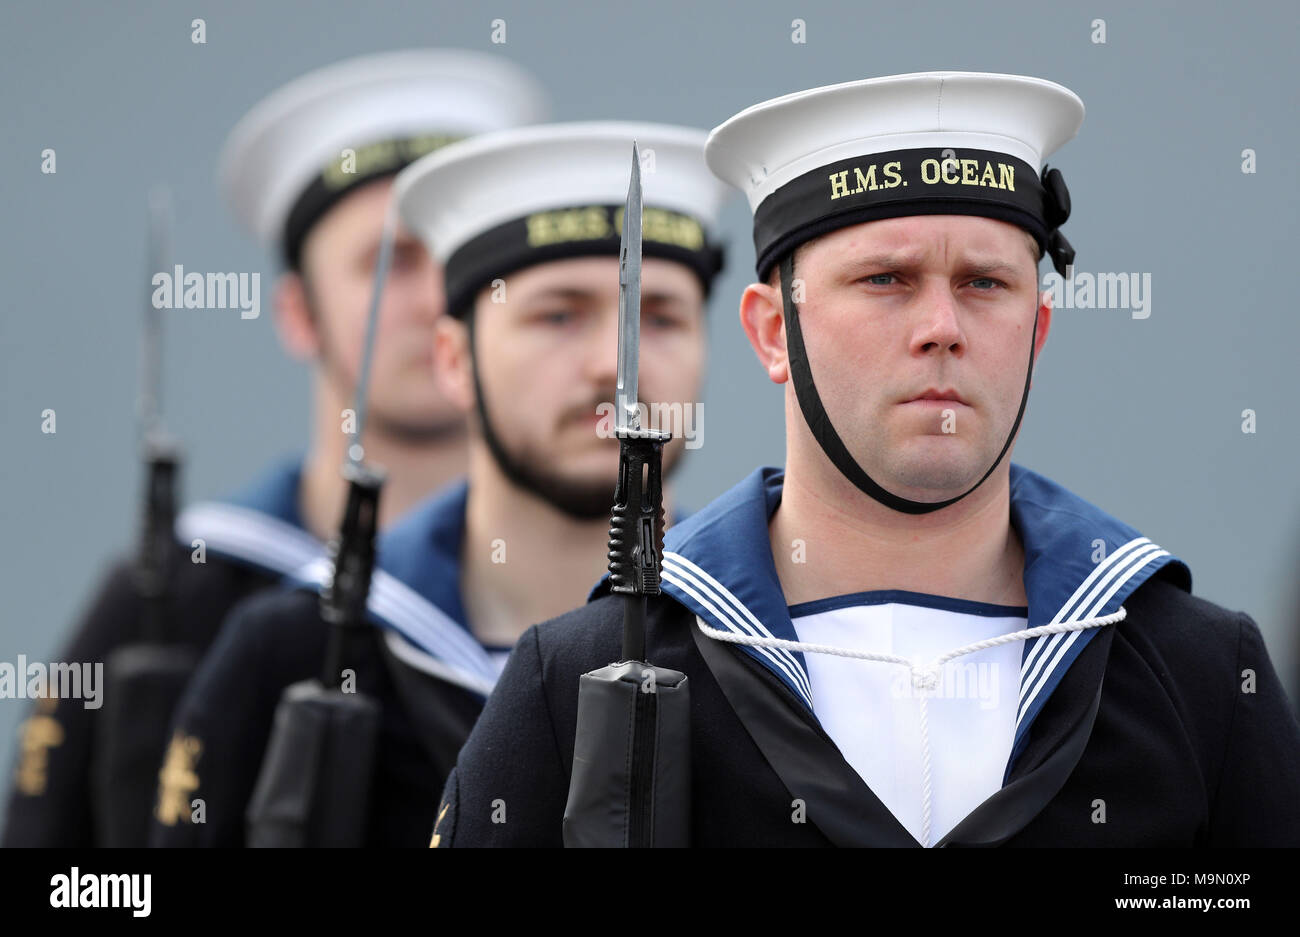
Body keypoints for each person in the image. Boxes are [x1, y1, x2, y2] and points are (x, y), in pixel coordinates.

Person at [435, 71, 1300, 847]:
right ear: (775, 331)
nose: (942, 327)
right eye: (886, 279)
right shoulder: (574, 682)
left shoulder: (1200, 677)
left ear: (1037, 332)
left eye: (985, 283)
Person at [1, 49, 546, 847]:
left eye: (460, 260)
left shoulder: (600, 596)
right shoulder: (172, 596)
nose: (436, 299)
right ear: (297, 313)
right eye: (387, 262)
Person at [148, 121, 731, 846]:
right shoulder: (297, 645)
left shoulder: (756, 650)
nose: (612, 366)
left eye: (660, 317)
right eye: (557, 315)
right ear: (454, 360)